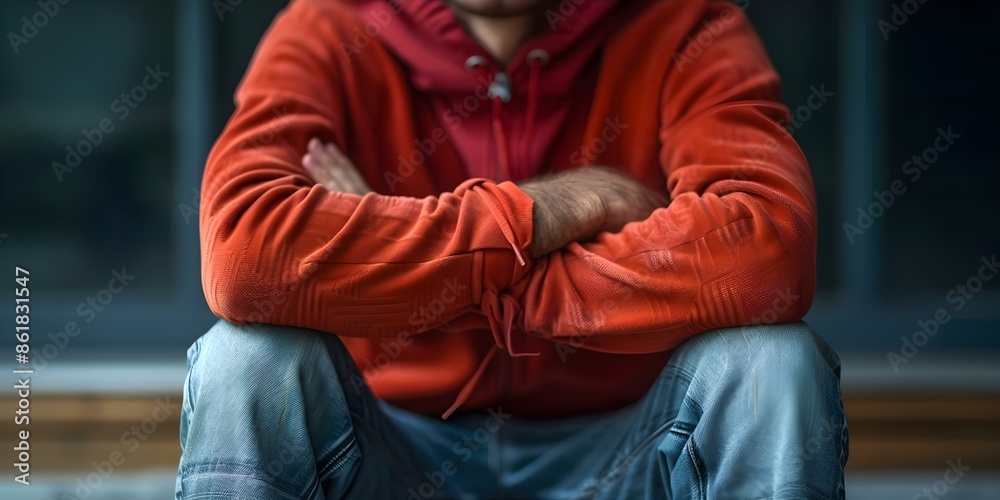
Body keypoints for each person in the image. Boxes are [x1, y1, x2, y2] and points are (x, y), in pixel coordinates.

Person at [176, 0, 848, 498]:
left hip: (631, 448)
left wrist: (396, 265)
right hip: (389, 450)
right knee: (250, 359)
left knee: (773, 363)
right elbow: (244, 254)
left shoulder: (685, 25)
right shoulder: (328, 28)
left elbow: (766, 248)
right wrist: (567, 205)